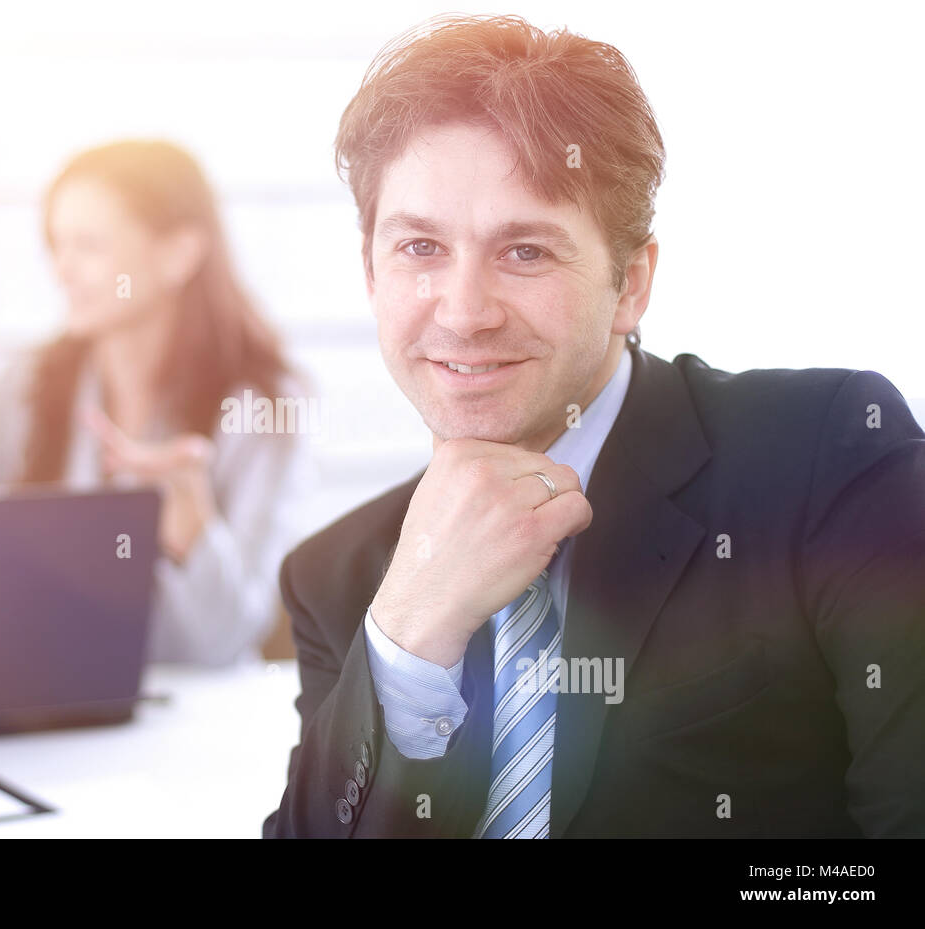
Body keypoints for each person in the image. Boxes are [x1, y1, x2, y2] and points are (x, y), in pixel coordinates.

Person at [264, 14, 924, 838]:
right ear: (370, 272)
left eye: (526, 251)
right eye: (421, 247)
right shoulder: (339, 578)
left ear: (632, 284)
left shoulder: (830, 455)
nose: (464, 313)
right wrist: (405, 638)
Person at [0, 140, 312, 667]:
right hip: (48, 703)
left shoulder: (263, 407)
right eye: (55, 245)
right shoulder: (21, 389)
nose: (61, 269)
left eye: (88, 246)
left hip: (198, 721)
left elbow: (227, 640)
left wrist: (191, 524)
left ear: (178, 254)